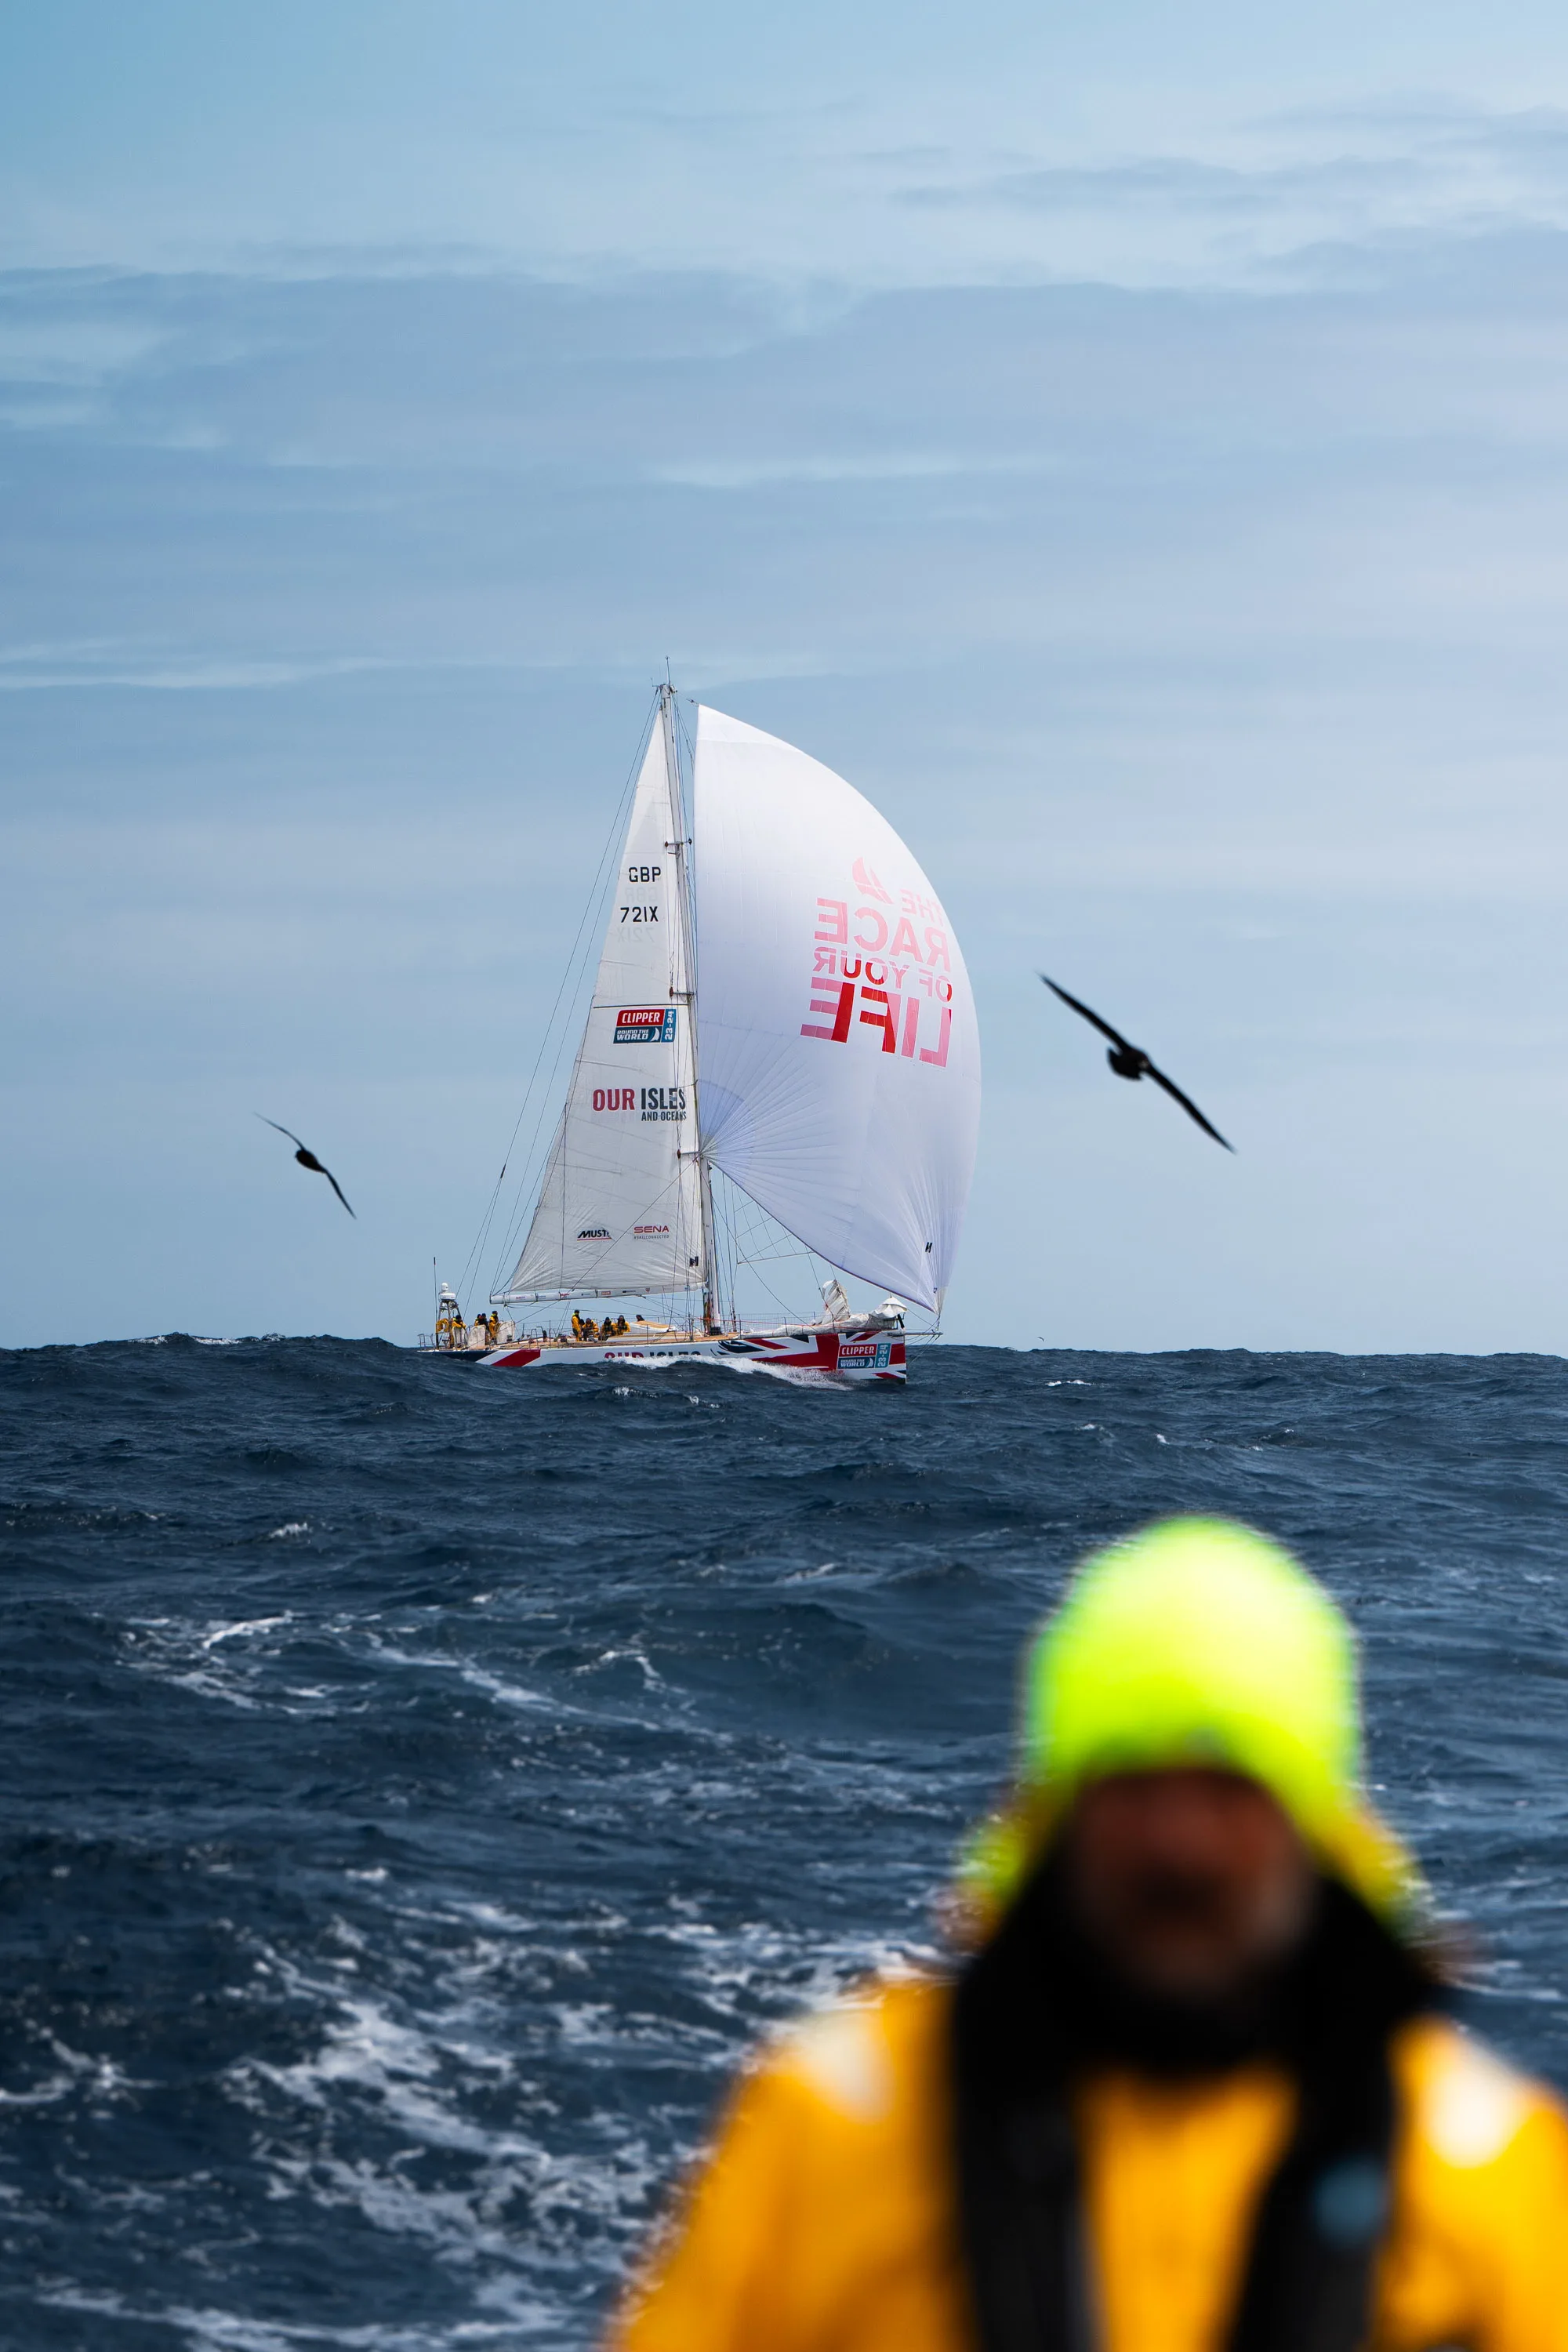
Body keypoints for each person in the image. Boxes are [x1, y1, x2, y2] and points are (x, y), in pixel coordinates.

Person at [609, 1517, 1568, 2352]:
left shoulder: (1482, 2165)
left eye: (1232, 1790)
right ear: (1051, 1816)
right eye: (1131, 1785)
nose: (1180, 1845)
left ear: (1317, 1827)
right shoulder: (830, 2123)